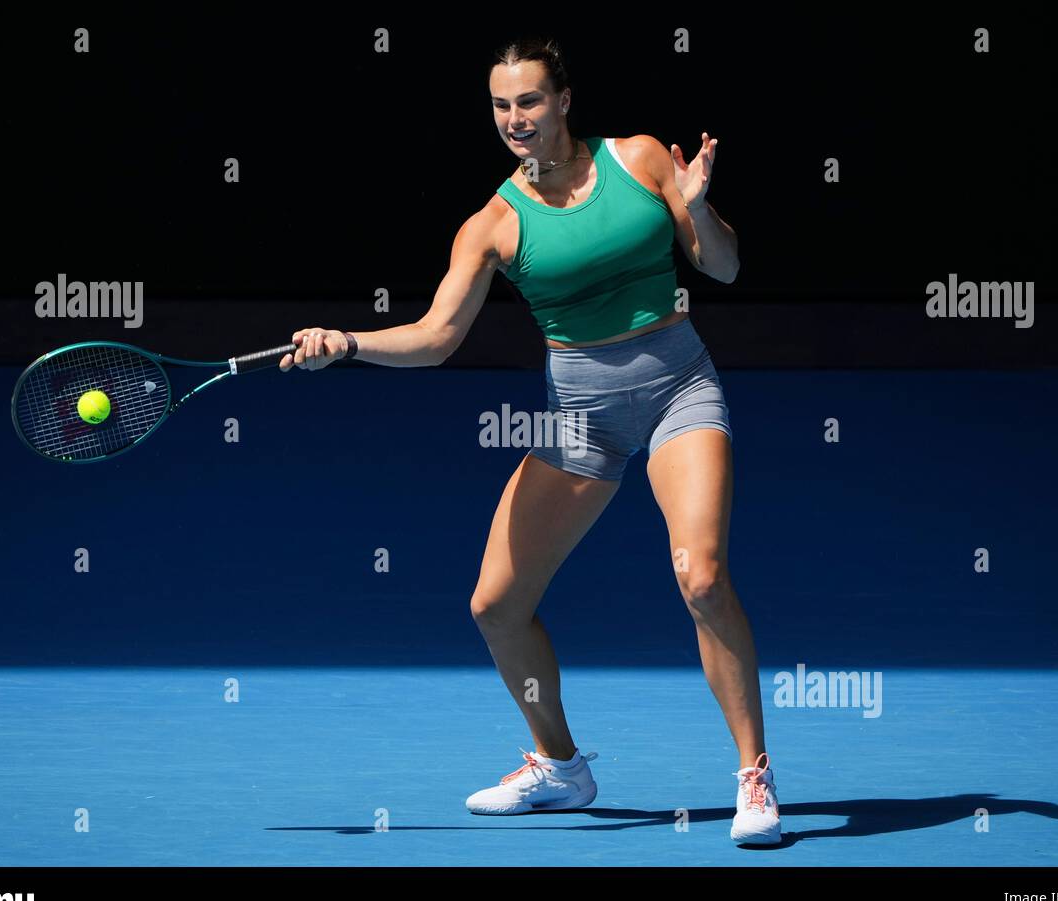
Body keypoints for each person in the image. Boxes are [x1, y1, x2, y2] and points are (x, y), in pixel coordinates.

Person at [281, 37, 779, 844]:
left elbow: (721, 268)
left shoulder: (642, 158)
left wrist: (694, 205)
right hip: (577, 417)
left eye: (530, 100)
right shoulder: (492, 224)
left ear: (564, 100)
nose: (516, 118)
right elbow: (436, 336)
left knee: (701, 577)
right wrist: (347, 341)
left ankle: (754, 777)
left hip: (679, 390)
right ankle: (561, 768)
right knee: (497, 605)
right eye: (501, 105)